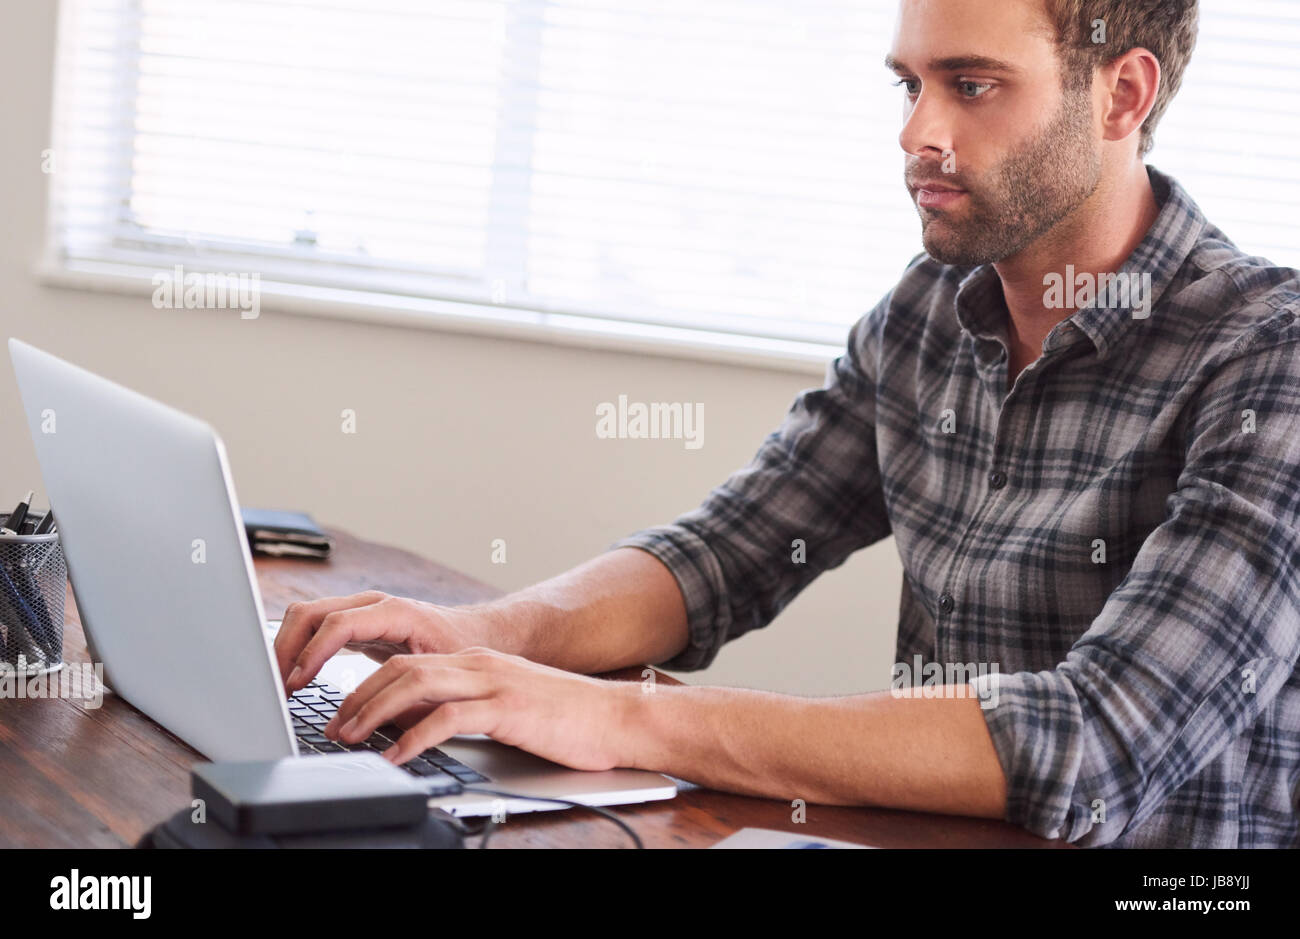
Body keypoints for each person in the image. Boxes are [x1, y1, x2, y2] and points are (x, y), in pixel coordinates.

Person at [274, 0, 1300, 848]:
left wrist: (625, 717)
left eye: (972, 86)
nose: (917, 135)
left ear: (1121, 94)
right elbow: (726, 554)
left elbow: (1095, 744)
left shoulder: (1267, 353)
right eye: (910, 86)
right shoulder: (927, 314)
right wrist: (482, 633)